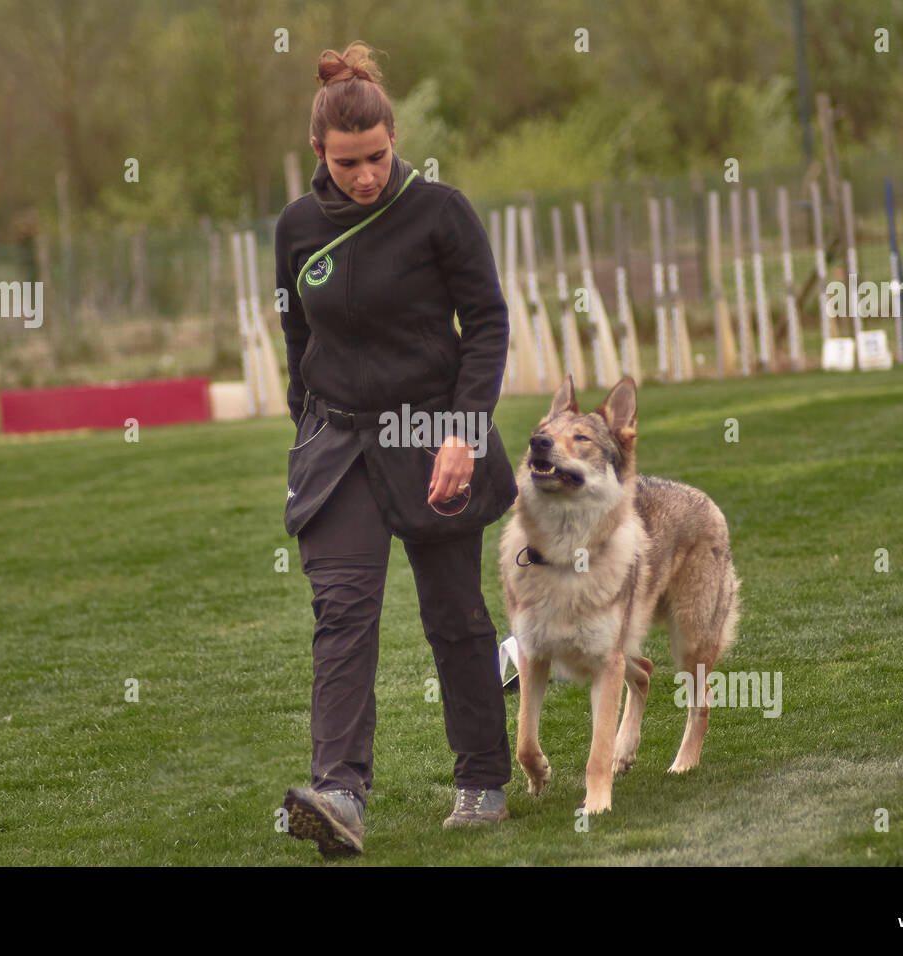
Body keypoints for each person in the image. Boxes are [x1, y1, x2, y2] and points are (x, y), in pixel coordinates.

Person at [275, 41, 518, 857]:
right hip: (338, 442)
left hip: (432, 435)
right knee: (342, 615)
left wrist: (464, 428)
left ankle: (482, 779)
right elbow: (294, 335)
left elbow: (486, 324)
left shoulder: (440, 211)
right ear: (318, 153)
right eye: (349, 164)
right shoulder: (297, 228)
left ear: (394, 137)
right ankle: (339, 793)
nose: (368, 175)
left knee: (453, 616)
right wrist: (303, 429)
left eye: (378, 157)